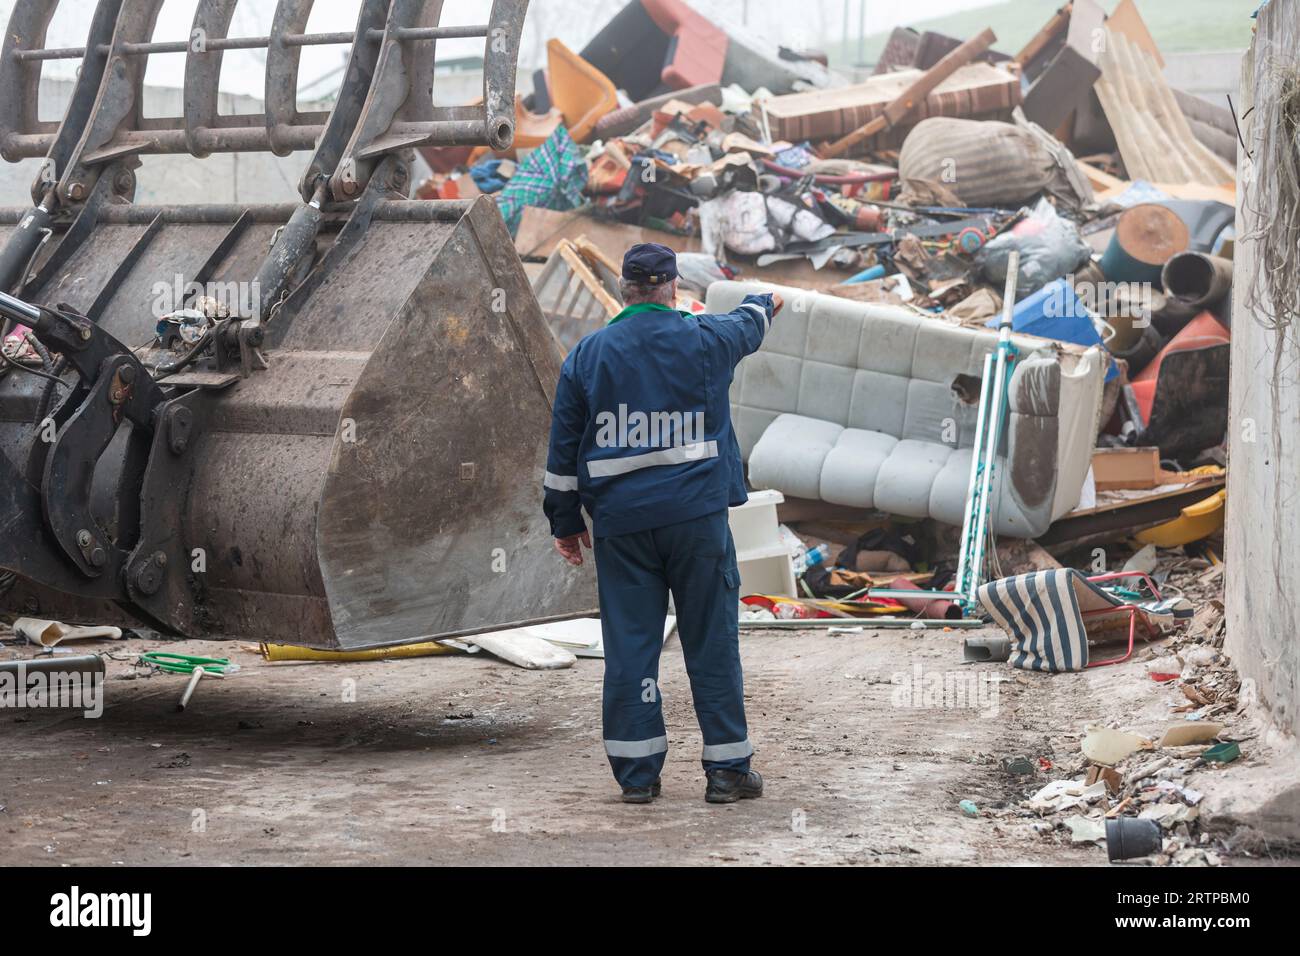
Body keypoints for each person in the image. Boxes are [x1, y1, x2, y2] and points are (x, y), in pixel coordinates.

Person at [542, 241, 782, 804]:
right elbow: (752, 319)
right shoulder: (706, 338)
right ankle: (726, 773)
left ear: (626, 289)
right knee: (710, 642)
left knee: (631, 647)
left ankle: (638, 776)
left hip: (622, 528)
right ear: (673, 287)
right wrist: (763, 300)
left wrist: (564, 524)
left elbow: (561, 456)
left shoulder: (586, 356)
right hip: (696, 523)